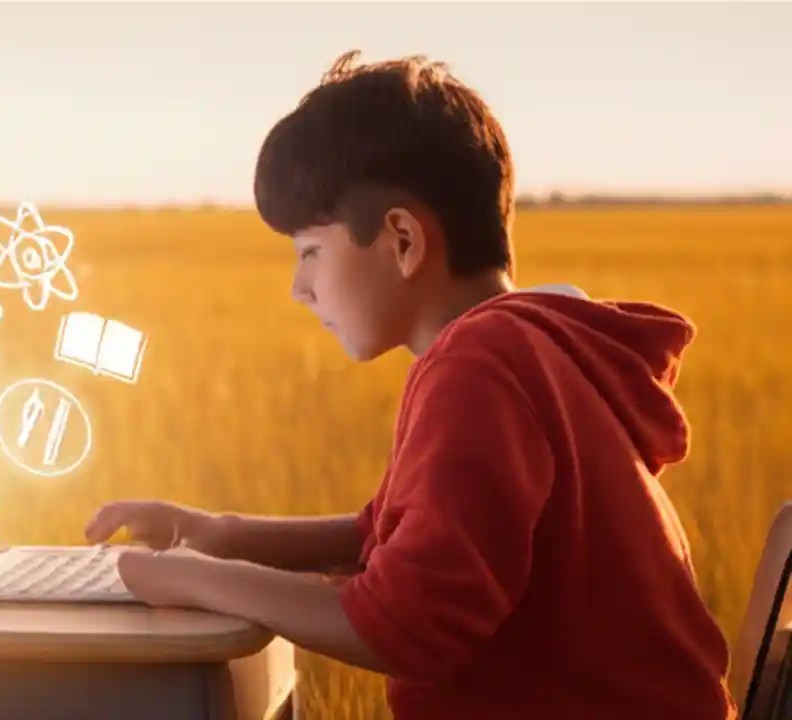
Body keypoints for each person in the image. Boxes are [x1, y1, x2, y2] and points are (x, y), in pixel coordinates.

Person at [83, 50, 737, 719]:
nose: (298, 288)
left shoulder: (480, 367)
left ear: (402, 240)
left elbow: (407, 623)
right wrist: (218, 533)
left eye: (311, 251)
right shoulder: (529, 346)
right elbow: (385, 537)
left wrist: (196, 580)